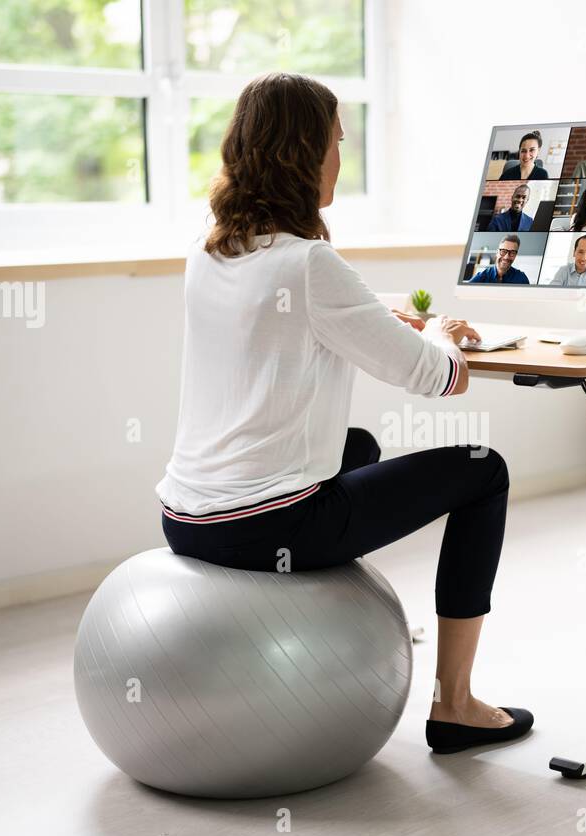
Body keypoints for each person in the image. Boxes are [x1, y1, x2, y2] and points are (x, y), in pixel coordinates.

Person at [157, 72, 533, 753]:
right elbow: (440, 377)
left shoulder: (210, 252)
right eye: (335, 141)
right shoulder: (309, 264)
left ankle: (363, 637)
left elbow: (291, 320)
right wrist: (439, 330)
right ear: (304, 152)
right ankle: (456, 705)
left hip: (186, 520)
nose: (340, 156)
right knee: (484, 469)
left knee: (355, 445)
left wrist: (376, 317)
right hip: (265, 526)